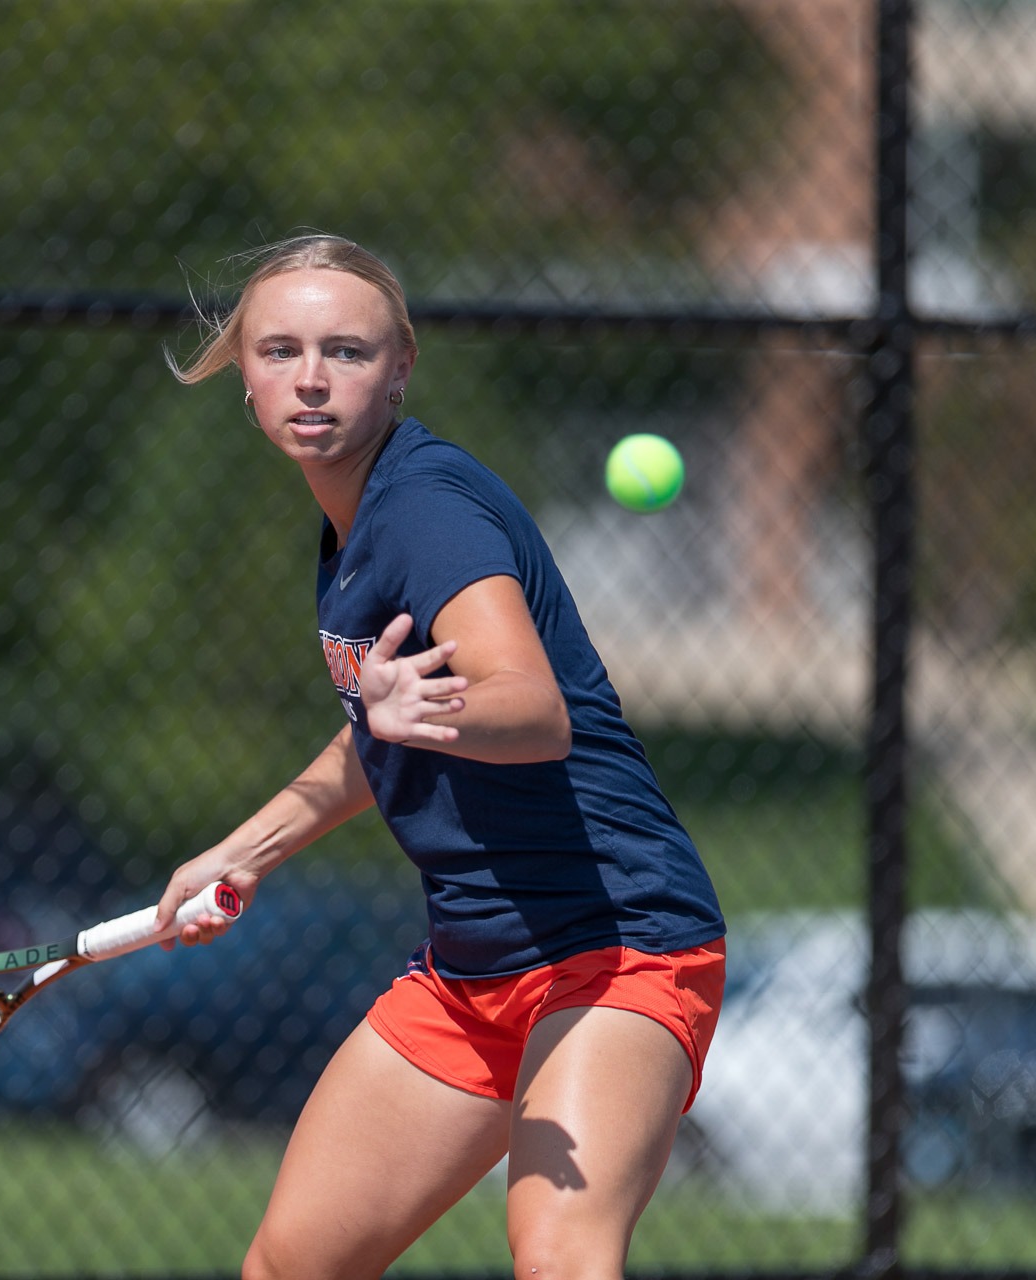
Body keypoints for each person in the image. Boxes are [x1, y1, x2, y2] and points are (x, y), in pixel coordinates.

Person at [153, 234, 725, 1280]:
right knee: (293, 1262)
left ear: (402, 367)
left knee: (560, 1253)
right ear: (243, 373)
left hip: (615, 945)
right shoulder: (349, 529)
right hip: (471, 971)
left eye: (348, 351)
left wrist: (416, 713)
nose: (312, 377)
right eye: (279, 349)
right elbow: (385, 729)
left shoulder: (424, 507)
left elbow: (529, 706)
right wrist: (248, 847)